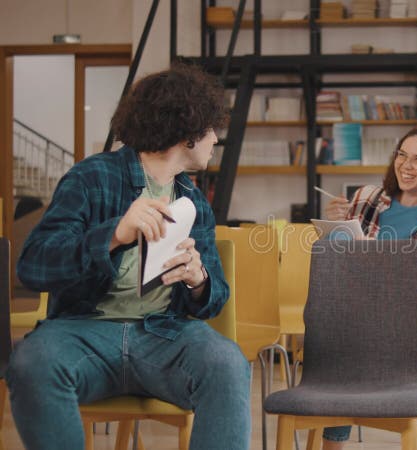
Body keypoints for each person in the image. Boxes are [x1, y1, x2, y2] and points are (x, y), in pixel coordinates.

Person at [6, 64, 251, 450]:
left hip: (163, 337)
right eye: (211, 129)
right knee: (32, 362)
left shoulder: (194, 203)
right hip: (82, 332)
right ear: (188, 130)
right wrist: (114, 236)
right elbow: (33, 264)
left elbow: (214, 299)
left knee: (227, 363)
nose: (216, 140)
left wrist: (198, 277)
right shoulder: (91, 177)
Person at [320, 124, 417, 449]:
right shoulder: (367, 198)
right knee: (343, 342)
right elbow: (335, 262)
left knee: (343, 349)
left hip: (404, 317)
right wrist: (333, 225)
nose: (406, 165)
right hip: (353, 309)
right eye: (402, 155)